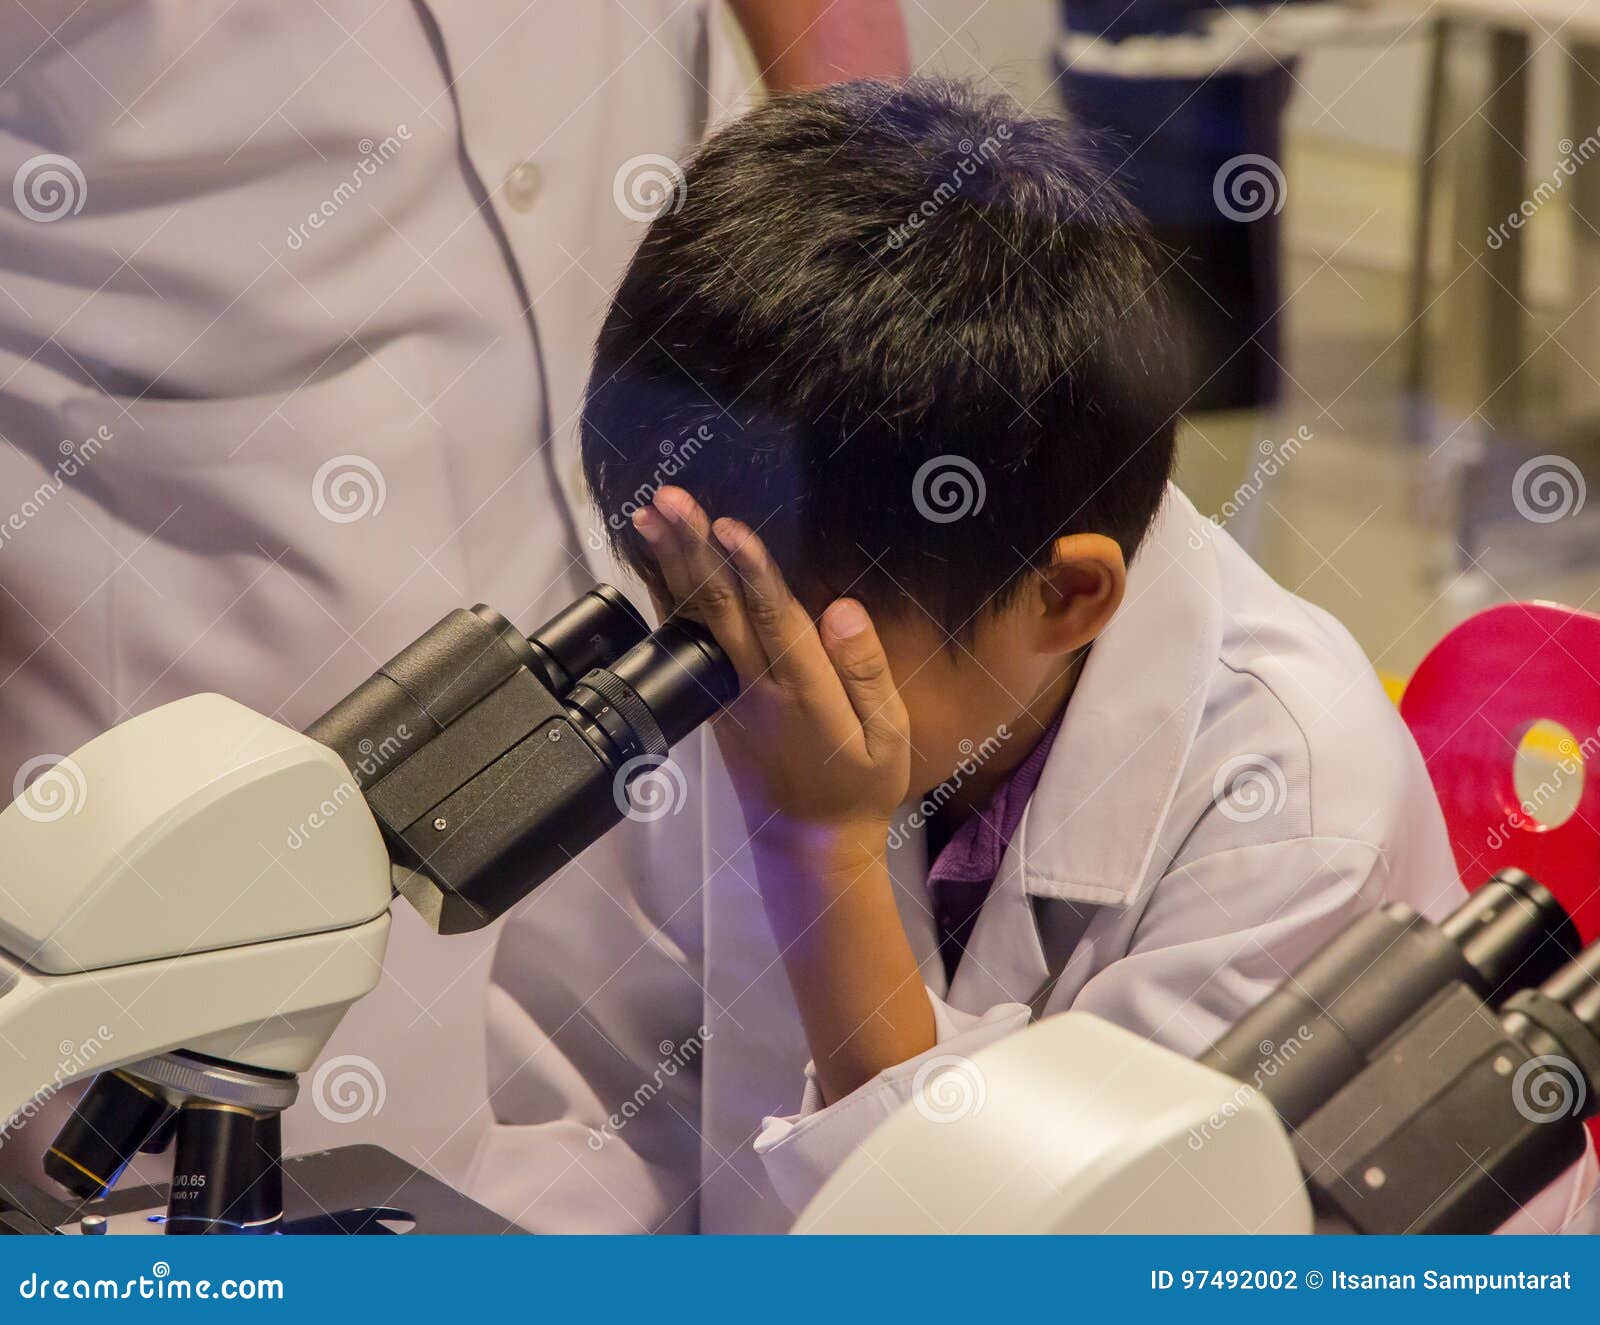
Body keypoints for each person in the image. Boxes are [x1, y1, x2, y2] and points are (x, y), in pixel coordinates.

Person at [563, 75, 1599, 1231]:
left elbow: (1036, 1265)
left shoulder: (1290, 804)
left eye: (779, 638)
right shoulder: (771, 599)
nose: (731, 679)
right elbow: (591, 1109)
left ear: (1065, 597)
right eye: (684, 605)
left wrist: (822, 849)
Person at [0, 0, 906, 1225]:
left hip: (652, 398)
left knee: (749, 1164)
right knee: (243, 1178)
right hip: (172, 529)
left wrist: (873, 184)